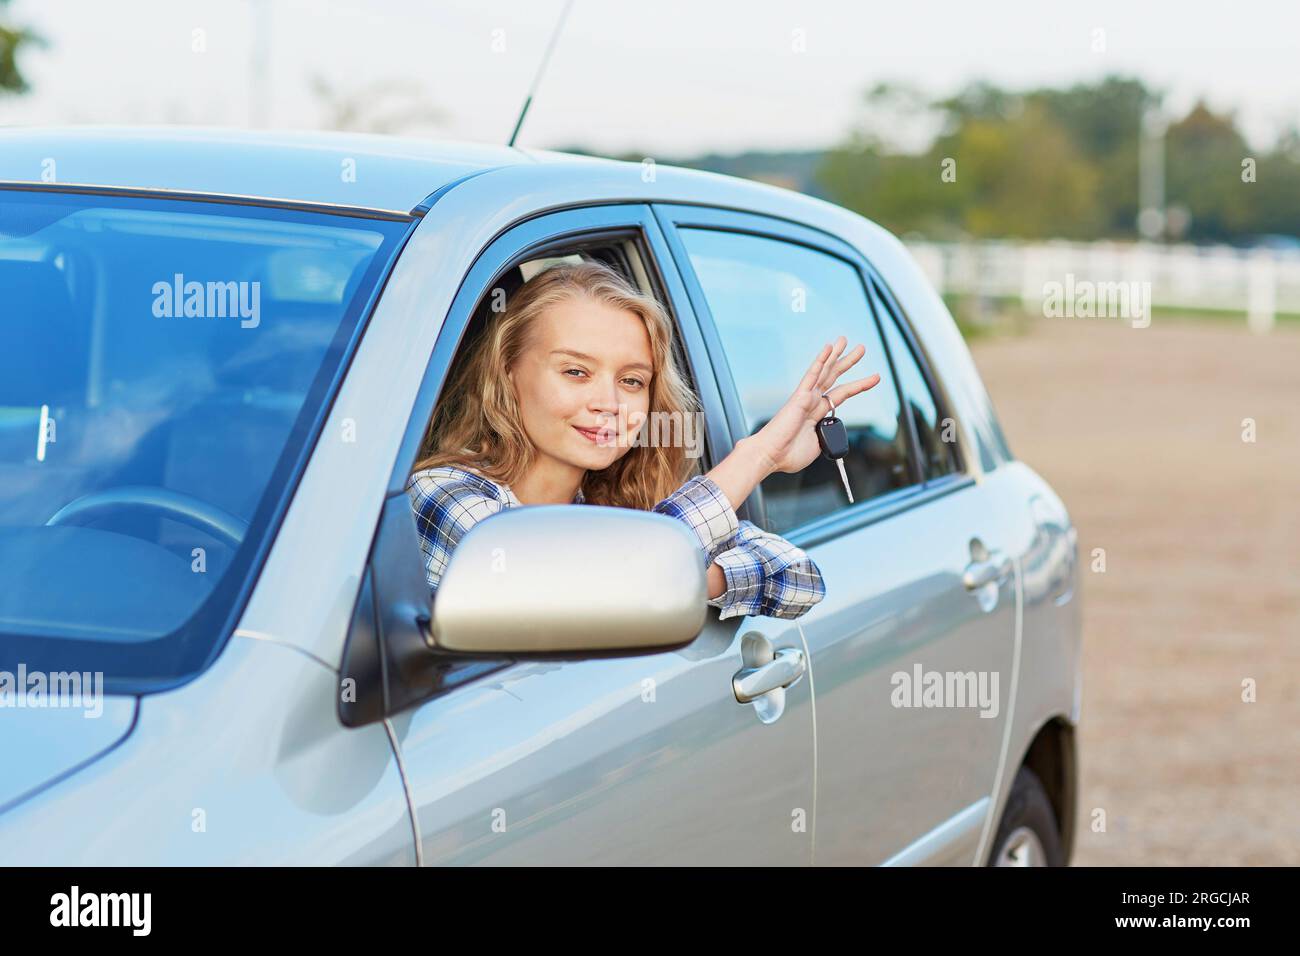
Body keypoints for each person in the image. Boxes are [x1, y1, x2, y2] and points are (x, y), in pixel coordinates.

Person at [406, 259, 879, 621]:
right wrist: (755, 457)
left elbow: (799, 578)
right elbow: (564, 593)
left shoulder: (621, 506)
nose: (608, 402)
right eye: (576, 372)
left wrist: (679, 577)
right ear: (507, 373)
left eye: (632, 381)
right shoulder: (442, 493)